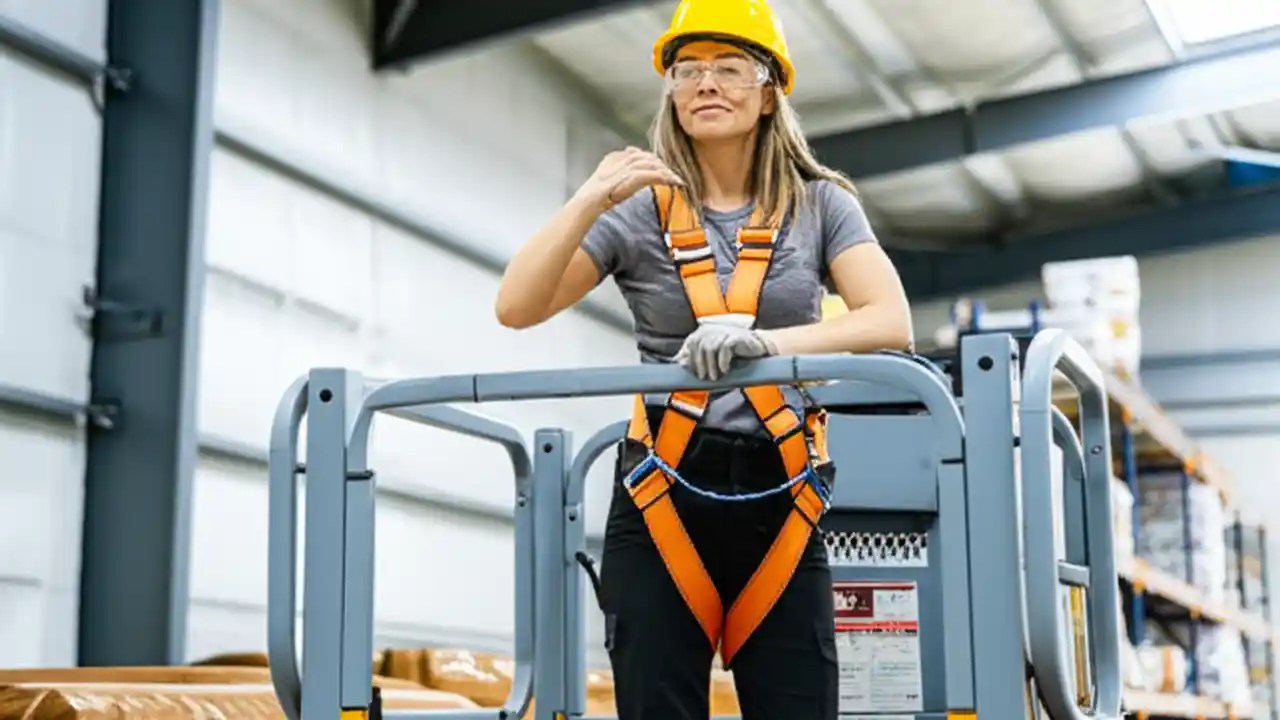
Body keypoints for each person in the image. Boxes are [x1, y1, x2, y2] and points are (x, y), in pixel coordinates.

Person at [495, 0, 913, 716]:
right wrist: (589, 199)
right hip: (663, 491)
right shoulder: (637, 212)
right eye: (687, 70)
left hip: (781, 492)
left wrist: (769, 347)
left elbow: (890, 319)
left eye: (729, 67)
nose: (706, 83)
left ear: (769, 91)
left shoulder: (820, 206)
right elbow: (516, 306)